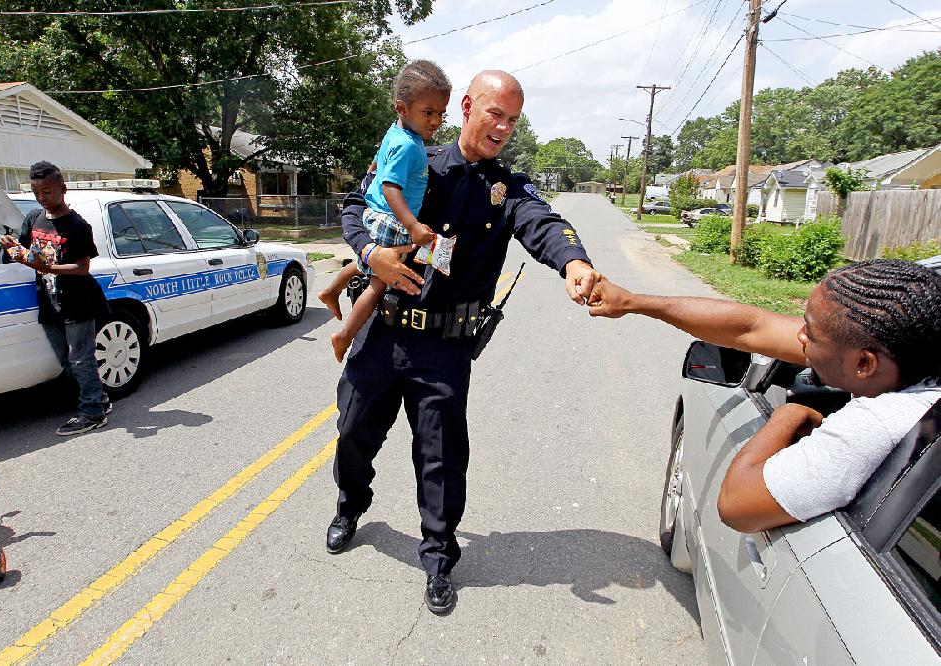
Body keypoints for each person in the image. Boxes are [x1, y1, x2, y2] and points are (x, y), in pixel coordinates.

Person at [326, 70, 601, 614]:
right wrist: (369, 253)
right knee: (353, 431)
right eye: (496, 114)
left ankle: (438, 558)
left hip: (445, 348)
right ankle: (350, 505)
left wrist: (574, 261)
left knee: (441, 458)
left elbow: (545, 223)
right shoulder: (417, 154)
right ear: (468, 108)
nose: (504, 127)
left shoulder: (507, 188)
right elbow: (357, 206)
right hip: (383, 331)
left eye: (513, 120)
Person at [586, 259, 941, 533]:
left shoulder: (881, 424)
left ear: (864, 363)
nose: (799, 337)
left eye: (811, 334)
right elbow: (752, 328)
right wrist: (633, 302)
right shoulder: (898, 356)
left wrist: (790, 415)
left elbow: (736, 504)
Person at [319, 60, 450, 362]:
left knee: (368, 262)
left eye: (441, 113)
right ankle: (344, 335)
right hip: (392, 219)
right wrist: (413, 225)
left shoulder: (395, 132)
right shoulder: (409, 146)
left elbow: (377, 163)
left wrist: (372, 175)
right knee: (379, 283)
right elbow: (391, 188)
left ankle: (332, 289)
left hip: (375, 213)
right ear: (402, 108)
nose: (436, 120)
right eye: (428, 112)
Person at [0, 161, 111, 436]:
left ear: (63, 188)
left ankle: (93, 413)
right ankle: (98, 399)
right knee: (66, 359)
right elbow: (26, 253)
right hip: (49, 302)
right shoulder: (33, 219)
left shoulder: (77, 226)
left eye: (47, 192)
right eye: (36, 192)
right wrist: (11, 247)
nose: (42, 198)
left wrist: (47, 267)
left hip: (78, 302)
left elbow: (82, 268)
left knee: (81, 359)